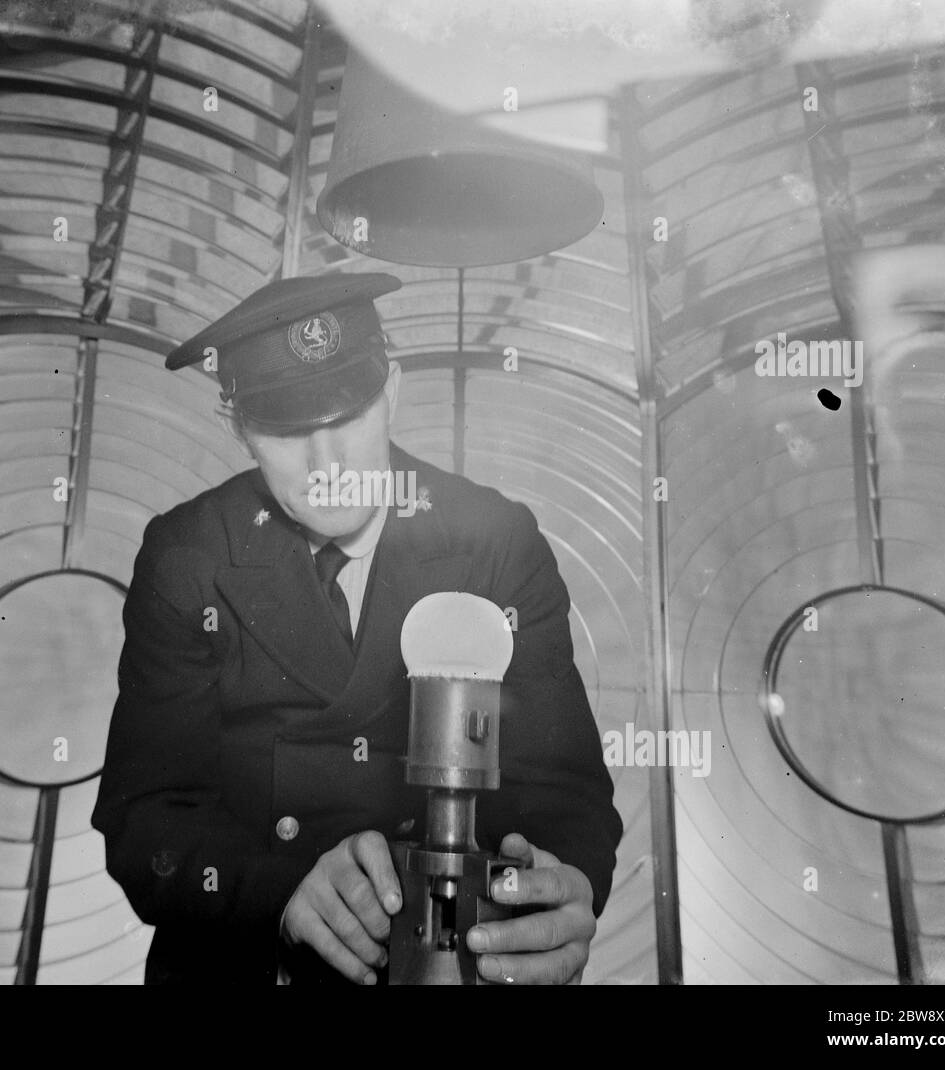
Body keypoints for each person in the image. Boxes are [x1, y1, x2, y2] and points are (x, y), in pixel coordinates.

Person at [91, 272, 622, 985]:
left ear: (392, 393)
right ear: (240, 428)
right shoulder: (188, 555)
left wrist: (558, 893)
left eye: (348, 416)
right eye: (285, 428)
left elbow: (566, 799)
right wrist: (282, 897)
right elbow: (146, 821)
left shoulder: (496, 540)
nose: (328, 464)